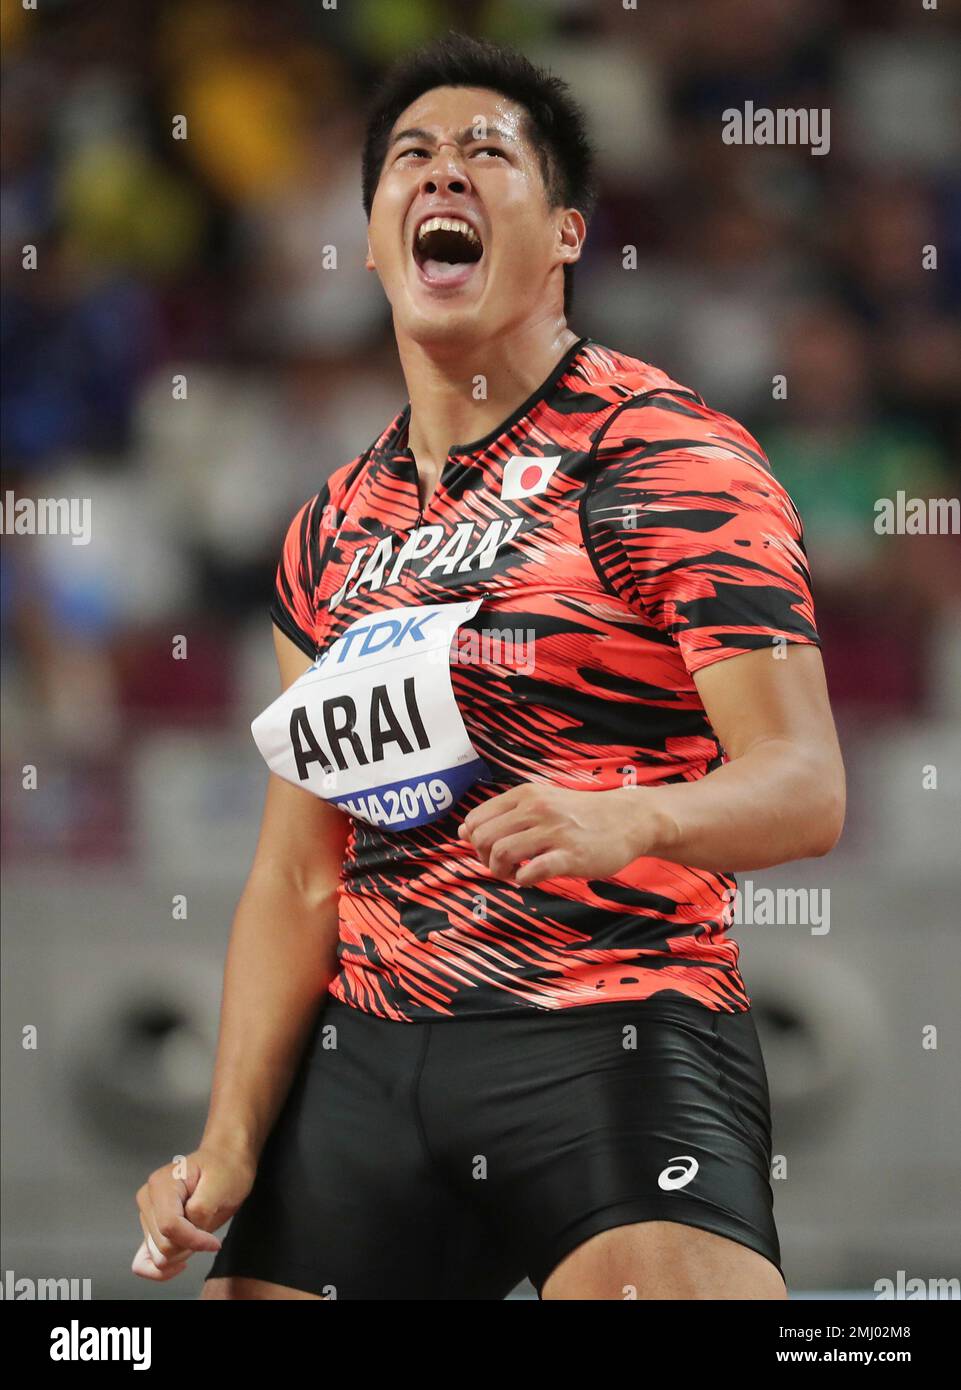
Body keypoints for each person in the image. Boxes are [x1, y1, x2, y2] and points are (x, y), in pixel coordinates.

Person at [133, 31, 845, 1301]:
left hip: (614, 1034)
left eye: (484, 154)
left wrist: (630, 816)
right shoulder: (328, 531)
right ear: (368, 236)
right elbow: (298, 874)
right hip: (369, 1059)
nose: (441, 174)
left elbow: (803, 786)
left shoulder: (661, 459)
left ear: (566, 231)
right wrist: (228, 1143)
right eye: (410, 157)